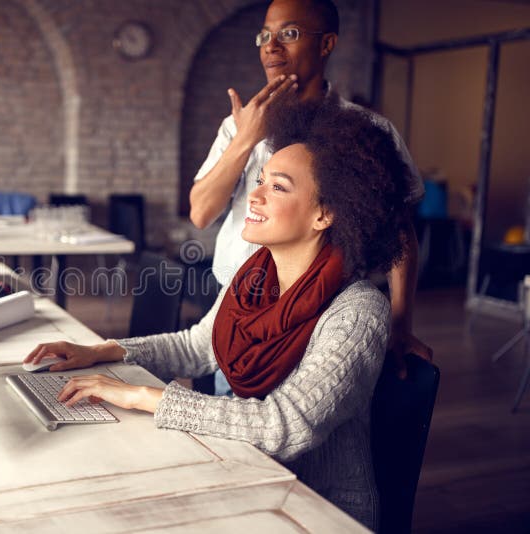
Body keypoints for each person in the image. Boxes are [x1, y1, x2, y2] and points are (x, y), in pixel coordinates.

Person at [25, 101, 412, 530]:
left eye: (278, 187)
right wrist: (104, 351)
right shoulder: (253, 279)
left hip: (313, 510)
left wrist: (141, 397)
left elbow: (285, 425)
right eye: (259, 180)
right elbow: (196, 346)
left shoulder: (358, 312)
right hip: (245, 473)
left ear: (325, 213)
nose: (254, 196)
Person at [188, 0, 431, 381]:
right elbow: (201, 213)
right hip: (238, 310)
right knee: (229, 405)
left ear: (326, 43)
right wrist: (246, 138)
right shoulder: (237, 127)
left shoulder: (368, 132)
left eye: (289, 33)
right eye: (265, 35)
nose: (271, 46)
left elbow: (399, 232)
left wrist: (400, 323)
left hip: (322, 320)